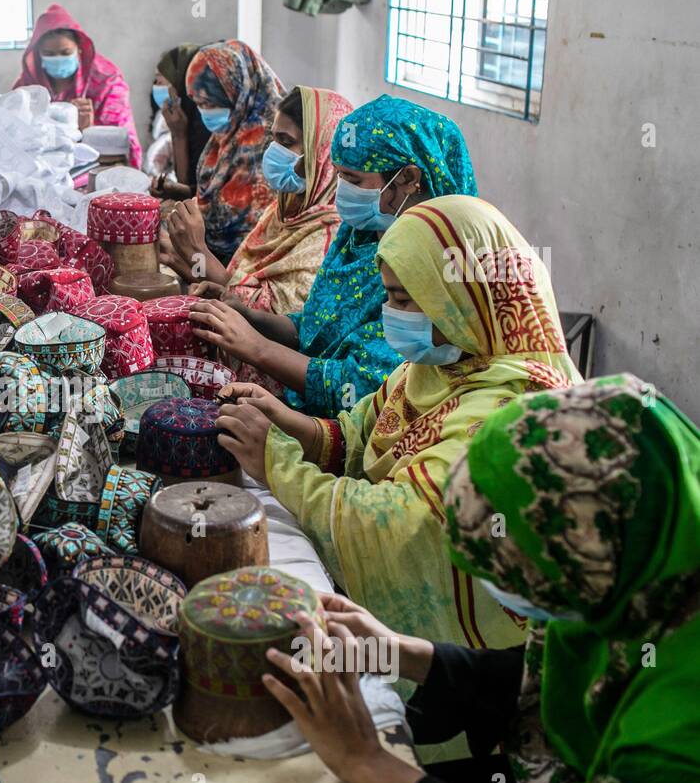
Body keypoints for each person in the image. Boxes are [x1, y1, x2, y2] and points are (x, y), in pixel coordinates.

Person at [259, 375, 700, 783]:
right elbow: (548, 673)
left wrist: (371, 764)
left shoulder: (674, 744)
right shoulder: (641, 569)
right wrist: (400, 651)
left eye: (519, 575)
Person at [216, 195, 581, 650]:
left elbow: (396, 525)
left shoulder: (512, 412)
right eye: (389, 295)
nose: (391, 312)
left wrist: (278, 461)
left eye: (404, 299)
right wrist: (284, 420)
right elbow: (357, 435)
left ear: (459, 298)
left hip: (475, 660)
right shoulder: (437, 365)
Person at [189, 95, 475, 418]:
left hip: (365, 427)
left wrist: (256, 347)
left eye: (353, 179)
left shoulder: (433, 263)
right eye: (338, 175)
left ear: (408, 179)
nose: (340, 190)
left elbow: (362, 388)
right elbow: (316, 325)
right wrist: (251, 316)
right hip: (319, 421)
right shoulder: (359, 235)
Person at [163, 86, 350, 317]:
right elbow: (226, 282)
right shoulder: (284, 210)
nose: (274, 151)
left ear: (321, 154)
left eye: (286, 141)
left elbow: (268, 322)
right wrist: (174, 255)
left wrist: (197, 251)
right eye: (274, 139)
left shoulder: (331, 238)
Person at [161, 40, 285, 267]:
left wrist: (186, 220)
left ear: (237, 93)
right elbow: (219, 195)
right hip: (211, 258)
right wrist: (185, 194)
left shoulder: (271, 142)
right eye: (198, 104)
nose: (204, 112)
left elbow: (243, 228)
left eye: (208, 103)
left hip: (246, 266)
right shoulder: (230, 129)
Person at [14, 3, 141, 168]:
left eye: (65, 53)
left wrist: (89, 131)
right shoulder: (28, 86)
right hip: (44, 168)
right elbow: (14, 132)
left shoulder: (107, 82)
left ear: (79, 49)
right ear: (38, 54)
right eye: (49, 54)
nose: (58, 58)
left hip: (100, 168)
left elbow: (121, 147)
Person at [146, 43, 212, 200]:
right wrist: (178, 134)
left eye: (161, 81)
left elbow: (197, 195)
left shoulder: (207, 125)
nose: (156, 87)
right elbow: (187, 189)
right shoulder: (181, 119)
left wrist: (178, 135)